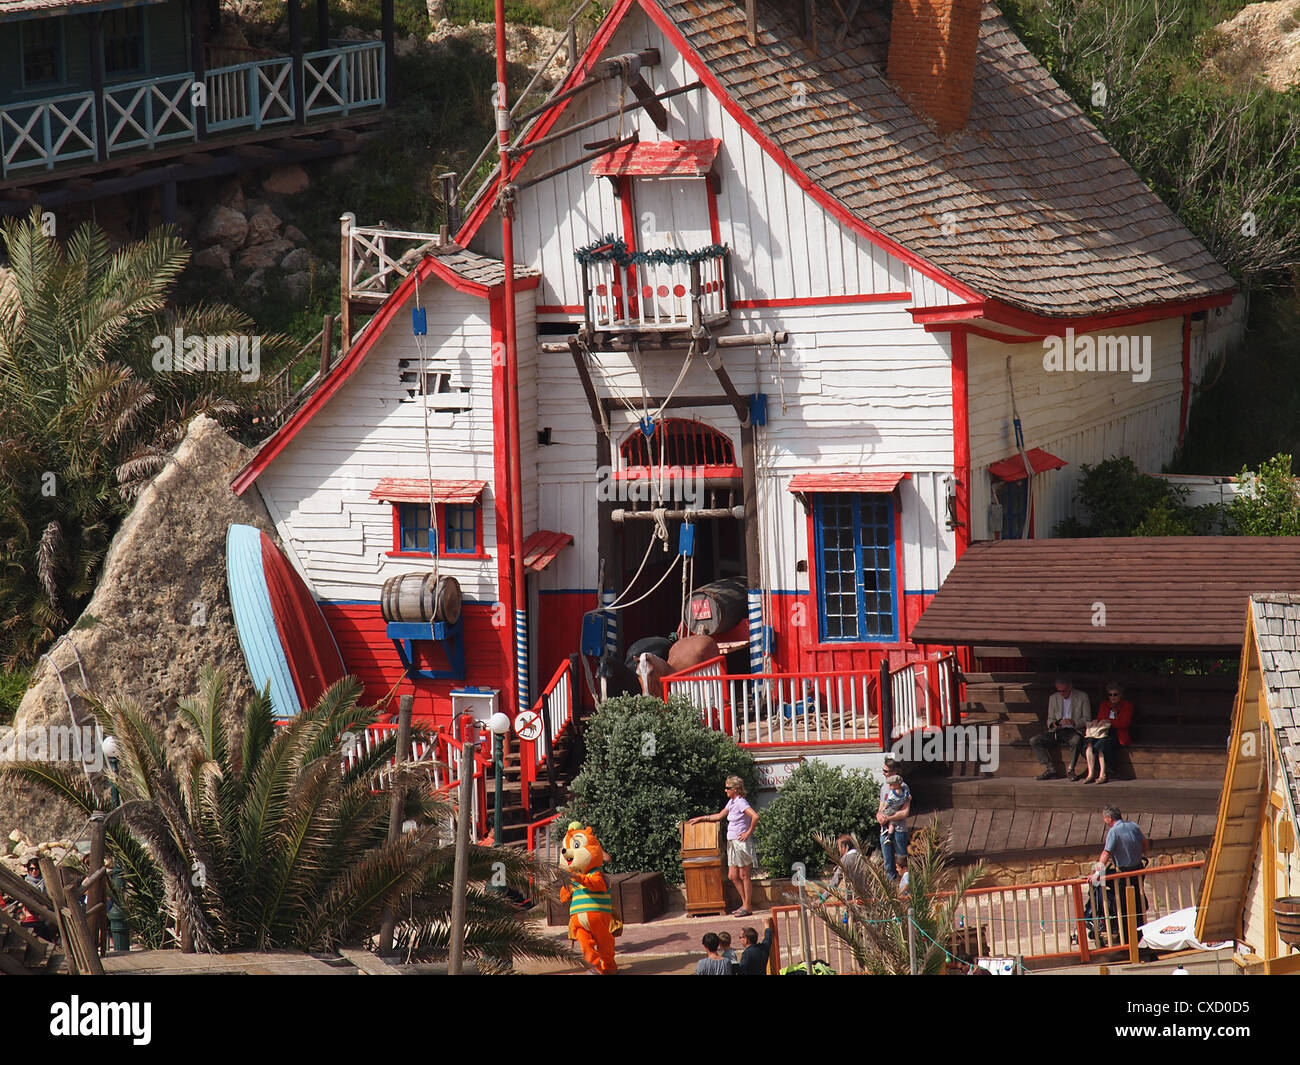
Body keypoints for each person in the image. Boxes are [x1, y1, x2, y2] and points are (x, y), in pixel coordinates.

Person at [689, 775, 759, 917]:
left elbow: (755, 816)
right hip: (732, 842)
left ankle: (747, 906)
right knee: (733, 875)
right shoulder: (731, 802)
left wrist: (748, 832)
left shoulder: (740, 802)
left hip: (741, 843)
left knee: (744, 874)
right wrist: (702, 818)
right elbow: (720, 815)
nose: (725, 790)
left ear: (735, 789)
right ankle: (745, 904)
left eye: (728, 787)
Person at [1099, 805, 1149, 938]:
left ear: (1109, 818)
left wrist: (1097, 872)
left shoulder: (1113, 832)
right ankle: (1141, 933)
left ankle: (1128, 938)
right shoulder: (1133, 826)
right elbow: (1145, 844)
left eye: (1104, 818)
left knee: (1123, 905)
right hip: (1138, 870)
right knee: (1138, 901)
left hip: (1124, 873)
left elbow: (1106, 853)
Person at [1029, 675, 1091, 780]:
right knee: (1034, 740)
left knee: (1076, 741)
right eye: (1059, 691)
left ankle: (1071, 770)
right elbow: (1050, 718)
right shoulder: (1054, 698)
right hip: (1057, 730)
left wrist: (1073, 722)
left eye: (1064, 691)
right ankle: (1050, 769)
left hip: (1073, 729)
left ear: (1070, 687)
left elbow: (1087, 718)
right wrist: (1053, 723)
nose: (1062, 693)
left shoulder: (1082, 696)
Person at [1081, 683, 1134, 784]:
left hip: (1118, 734)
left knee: (1102, 745)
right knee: (1090, 743)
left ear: (1121, 695)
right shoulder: (1104, 705)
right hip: (1102, 732)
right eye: (1110, 695)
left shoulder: (1127, 706)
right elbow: (1101, 718)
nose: (1112, 697)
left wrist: (1109, 721)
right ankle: (1091, 774)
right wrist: (1102, 721)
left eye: (1115, 694)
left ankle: (1103, 774)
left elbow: (1124, 723)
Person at [877, 770, 911, 880]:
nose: (883, 773)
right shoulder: (884, 787)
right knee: (888, 864)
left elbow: (904, 812)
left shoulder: (903, 787)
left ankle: (905, 890)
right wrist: (880, 816)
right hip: (884, 830)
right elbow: (881, 807)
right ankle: (892, 890)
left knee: (902, 862)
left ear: (894, 772)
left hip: (899, 831)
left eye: (886, 771)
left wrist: (888, 818)